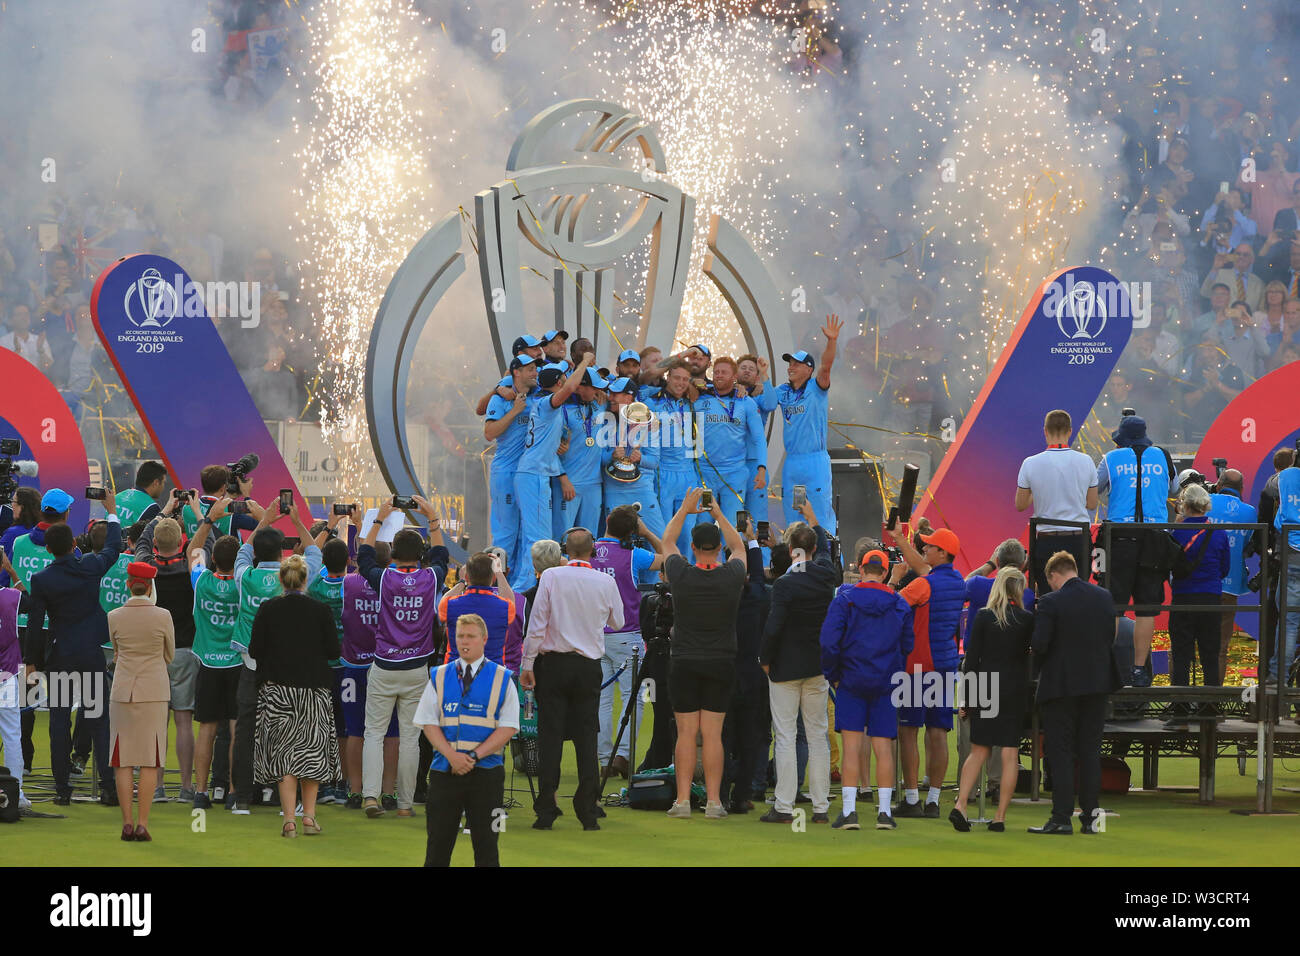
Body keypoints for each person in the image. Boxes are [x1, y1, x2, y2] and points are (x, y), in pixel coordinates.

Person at [520, 527, 623, 830]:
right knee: (586, 736)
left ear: (567, 550)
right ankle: (588, 809)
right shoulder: (606, 581)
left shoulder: (551, 577)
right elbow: (617, 621)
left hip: (553, 664)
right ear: (592, 551)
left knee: (549, 736)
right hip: (588, 665)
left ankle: (547, 808)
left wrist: (527, 662)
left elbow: (537, 623)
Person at [24, 491, 121, 805]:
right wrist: (112, 512)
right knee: (97, 718)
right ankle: (108, 788)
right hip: (90, 654)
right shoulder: (90, 566)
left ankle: (63, 791)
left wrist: (31, 663)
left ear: (49, 550)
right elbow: (114, 548)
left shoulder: (41, 580)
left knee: (59, 721)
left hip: (62, 656)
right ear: (75, 546)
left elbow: (36, 625)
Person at [355, 496, 448, 818]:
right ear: (420, 555)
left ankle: (370, 798)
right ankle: (405, 805)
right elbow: (441, 555)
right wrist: (432, 516)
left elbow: (364, 556)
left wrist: (379, 519)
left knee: (374, 734)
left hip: (384, 666)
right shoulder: (431, 578)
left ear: (393, 553)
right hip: (416, 669)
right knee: (410, 737)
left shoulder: (385, 578)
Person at [230, 499, 322, 813]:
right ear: (283, 553)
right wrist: (296, 522)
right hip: (285, 667)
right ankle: (283, 799)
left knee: (246, 732)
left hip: (252, 665)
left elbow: (242, 553)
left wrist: (263, 520)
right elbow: (315, 555)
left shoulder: (246, 577)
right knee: (288, 731)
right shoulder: (295, 581)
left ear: (258, 552)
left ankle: (242, 798)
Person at [660, 488, 747, 819]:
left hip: (684, 660)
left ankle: (682, 801)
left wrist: (684, 508)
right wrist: (718, 514)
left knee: (686, 733)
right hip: (721, 661)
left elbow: (667, 542)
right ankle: (713, 801)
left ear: (693, 548)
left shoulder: (681, 574)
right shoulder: (731, 574)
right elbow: (738, 547)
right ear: (717, 550)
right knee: (712, 735)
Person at [1028, 550, 1123, 835]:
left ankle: (1061, 818)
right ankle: (1092, 820)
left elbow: (1040, 644)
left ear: (1053, 575)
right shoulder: (1104, 597)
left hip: (1062, 686)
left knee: (1061, 752)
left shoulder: (1050, 602)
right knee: (1090, 751)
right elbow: (1111, 636)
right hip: (1097, 683)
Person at [414, 612, 520, 866]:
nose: (464, 641)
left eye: (470, 636)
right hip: (444, 773)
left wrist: (472, 757)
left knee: (488, 849)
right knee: (437, 848)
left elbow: (508, 728)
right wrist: (451, 755)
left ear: (484, 639)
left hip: (488, 777)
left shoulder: (503, 678)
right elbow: (427, 722)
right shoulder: (438, 675)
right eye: (460, 636)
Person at [249, 555, 341, 837]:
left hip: (277, 691)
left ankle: (289, 819)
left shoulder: (268, 609)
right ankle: (309, 818)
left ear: (281, 579)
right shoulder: (321, 610)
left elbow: (254, 650)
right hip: (313, 690)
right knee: (310, 755)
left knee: (285, 757)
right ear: (305, 580)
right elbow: (334, 652)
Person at [820, 549, 912, 830]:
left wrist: (834, 674)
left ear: (861, 569)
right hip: (885, 681)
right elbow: (907, 644)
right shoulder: (899, 604)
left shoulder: (845, 600)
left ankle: (849, 812)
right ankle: (884, 812)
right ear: (885, 572)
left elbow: (828, 642)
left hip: (852, 679)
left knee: (852, 747)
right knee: (883, 747)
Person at [759, 504, 838, 824]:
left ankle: (784, 804)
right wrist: (814, 521)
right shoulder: (825, 577)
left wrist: (765, 659)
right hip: (816, 666)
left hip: (785, 669)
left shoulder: (785, 585)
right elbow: (821, 548)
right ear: (814, 550)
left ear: (790, 551)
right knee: (817, 735)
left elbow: (774, 626)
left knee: (786, 735)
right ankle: (820, 807)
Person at [886, 519, 966, 818]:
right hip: (946, 665)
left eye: (930, 546)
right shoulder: (957, 580)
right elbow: (924, 569)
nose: (925, 548)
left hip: (917, 668)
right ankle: (932, 799)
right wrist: (900, 541)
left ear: (942, 553)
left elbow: (890, 606)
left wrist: (893, 581)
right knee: (938, 733)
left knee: (908, 732)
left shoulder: (923, 584)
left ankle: (910, 799)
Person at [950, 567, 1033, 833]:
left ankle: (961, 804)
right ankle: (999, 817)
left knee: (978, 750)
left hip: (985, 686)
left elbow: (971, 661)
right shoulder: (1026, 619)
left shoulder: (984, 618)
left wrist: (967, 699)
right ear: (1018, 589)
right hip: (1014, 689)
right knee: (1009, 753)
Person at [1096, 415, 1177, 686]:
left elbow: (1096, 490)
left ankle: (1107, 666)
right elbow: (1175, 488)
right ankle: (1139, 670)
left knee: (1115, 606)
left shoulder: (1112, 458)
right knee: (1146, 609)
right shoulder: (1163, 456)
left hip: (1120, 536)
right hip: (1155, 537)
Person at [135, 506, 208, 803]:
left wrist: (161, 512)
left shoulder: (146, 567)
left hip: (153, 650)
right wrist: (198, 513)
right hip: (185, 647)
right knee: (183, 720)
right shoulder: (191, 567)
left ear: (156, 543)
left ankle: (159, 785)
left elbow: (141, 540)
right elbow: (205, 544)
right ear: (180, 542)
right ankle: (187, 786)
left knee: (155, 720)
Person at [591, 505, 665, 777]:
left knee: (602, 700)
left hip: (596, 636)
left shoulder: (589, 552)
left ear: (607, 521)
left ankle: (603, 759)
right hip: (628, 635)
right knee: (635, 698)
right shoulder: (634, 554)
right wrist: (647, 532)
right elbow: (669, 558)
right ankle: (622, 755)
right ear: (633, 532)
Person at [106, 562, 174, 841]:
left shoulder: (114, 616)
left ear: (128, 584)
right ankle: (142, 823)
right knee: (149, 759)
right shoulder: (163, 616)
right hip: (153, 691)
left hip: (123, 691)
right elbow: (168, 654)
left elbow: (117, 650)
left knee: (122, 759)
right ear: (149, 586)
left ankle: (126, 822)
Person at [514, 355, 594, 592]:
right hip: (534, 474)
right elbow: (570, 387)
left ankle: (526, 586)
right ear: (559, 382)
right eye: (563, 375)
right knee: (538, 539)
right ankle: (528, 590)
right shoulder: (549, 403)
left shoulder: (541, 401)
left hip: (534, 473)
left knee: (537, 535)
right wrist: (585, 361)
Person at [759, 315, 842, 535]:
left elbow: (827, 365)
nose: (791, 366)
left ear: (808, 369)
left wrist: (831, 341)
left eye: (797, 363)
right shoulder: (782, 391)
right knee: (794, 517)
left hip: (814, 462)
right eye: (790, 363)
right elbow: (766, 403)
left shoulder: (817, 388)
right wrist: (764, 377)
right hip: (793, 463)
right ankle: (797, 565)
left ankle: (829, 563)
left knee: (820, 515)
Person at [186, 508, 242, 811]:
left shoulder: (203, 582)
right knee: (235, 729)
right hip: (235, 663)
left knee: (206, 729)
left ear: (214, 560)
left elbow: (194, 550)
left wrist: (207, 521)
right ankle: (233, 792)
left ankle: (201, 792)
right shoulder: (245, 583)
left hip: (208, 663)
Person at [339, 541, 399, 810]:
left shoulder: (348, 583)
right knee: (390, 732)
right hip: (385, 665)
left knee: (355, 731)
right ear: (389, 561)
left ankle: (354, 790)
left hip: (352, 665)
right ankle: (387, 792)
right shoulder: (394, 582)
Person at [1165, 483, 1230, 725]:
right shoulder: (1219, 533)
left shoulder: (1176, 532)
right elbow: (1224, 568)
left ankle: (1180, 709)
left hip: (1183, 598)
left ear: (1185, 504)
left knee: (1182, 654)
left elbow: (1170, 567)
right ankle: (1210, 708)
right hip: (1211, 599)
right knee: (1209, 654)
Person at [1015, 409, 1098, 594]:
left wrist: (1038, 490)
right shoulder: (1086, 461)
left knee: (1047, 598)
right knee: (1078, 596)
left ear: (1045, 431)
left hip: (1046, 541)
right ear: (1070, 431)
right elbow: (1092, 504)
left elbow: (1020, 505)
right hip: (1078, 539)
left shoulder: (1030, 463)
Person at [485, 354, 538, 589]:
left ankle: (518, 588)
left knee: (525, 533)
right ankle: (495, 584)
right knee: (506, 533)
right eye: (530, 369)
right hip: (505, 472)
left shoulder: (538, 396)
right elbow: (489, 433)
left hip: (527, 474)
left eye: (536, 368)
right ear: (516, 372)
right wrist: (515, 410)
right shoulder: (501, 399)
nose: (535, 372)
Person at [695, 357, 765, 523]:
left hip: (734, 475)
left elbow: (759, 438)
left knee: (734, 528)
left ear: (734, 377)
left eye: (724, 372)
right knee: (703, 526)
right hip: (706, 475)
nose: (719, 375)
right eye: (716, 372)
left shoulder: (746, 402)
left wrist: (761, 468)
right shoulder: (700, 398)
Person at [1209, 469, 1256, 684]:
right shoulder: (1249, 512)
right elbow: (1247, 546)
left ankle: (1181, 702)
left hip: (1201, 583)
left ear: (1218, 485)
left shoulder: (1205, 500)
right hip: (1230, 585)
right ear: (1242, 490)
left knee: (1186, 644)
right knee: (1220, 648)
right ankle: (1213, 704)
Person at [648, 365, 699, 554]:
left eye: (685, 379)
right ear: (668, 378)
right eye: (677, 378)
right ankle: (661, 577)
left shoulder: (691, 402)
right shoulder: (654, 402)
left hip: (688, 474)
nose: (681, 383)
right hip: (663, 473)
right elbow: (640, 387)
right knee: (664, 533)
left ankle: (686, 576)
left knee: (687, 533)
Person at [554, 367, 607, 540]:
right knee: (564, 538)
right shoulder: (561, 410)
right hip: (569, 483)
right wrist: (563, 479)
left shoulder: (599, 404)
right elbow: (547, 451)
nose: (599, 390)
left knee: (589, 539)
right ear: (579, 387)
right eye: (594, 387)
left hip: (593, 484)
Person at [438, 552, 516, 666]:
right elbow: (511, 601)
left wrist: (462, 582)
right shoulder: (504, 607)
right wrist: (499, 572)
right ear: (493, 578)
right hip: (492, 676)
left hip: (456, 675)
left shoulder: (450, 605)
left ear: (466, 577)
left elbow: (443, 602)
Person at [1270, 460, 1300, 683]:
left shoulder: (1286, 476)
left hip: (1292, 551)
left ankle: (1278, 676)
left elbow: (1270, 488)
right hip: (1291, 552)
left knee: (1288, 621)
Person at [114, 461, 167, 528]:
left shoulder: (117, 497)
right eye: (163, 482)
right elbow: (150, 536)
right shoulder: (151, 507)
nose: (163, 487)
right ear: (156, 482)